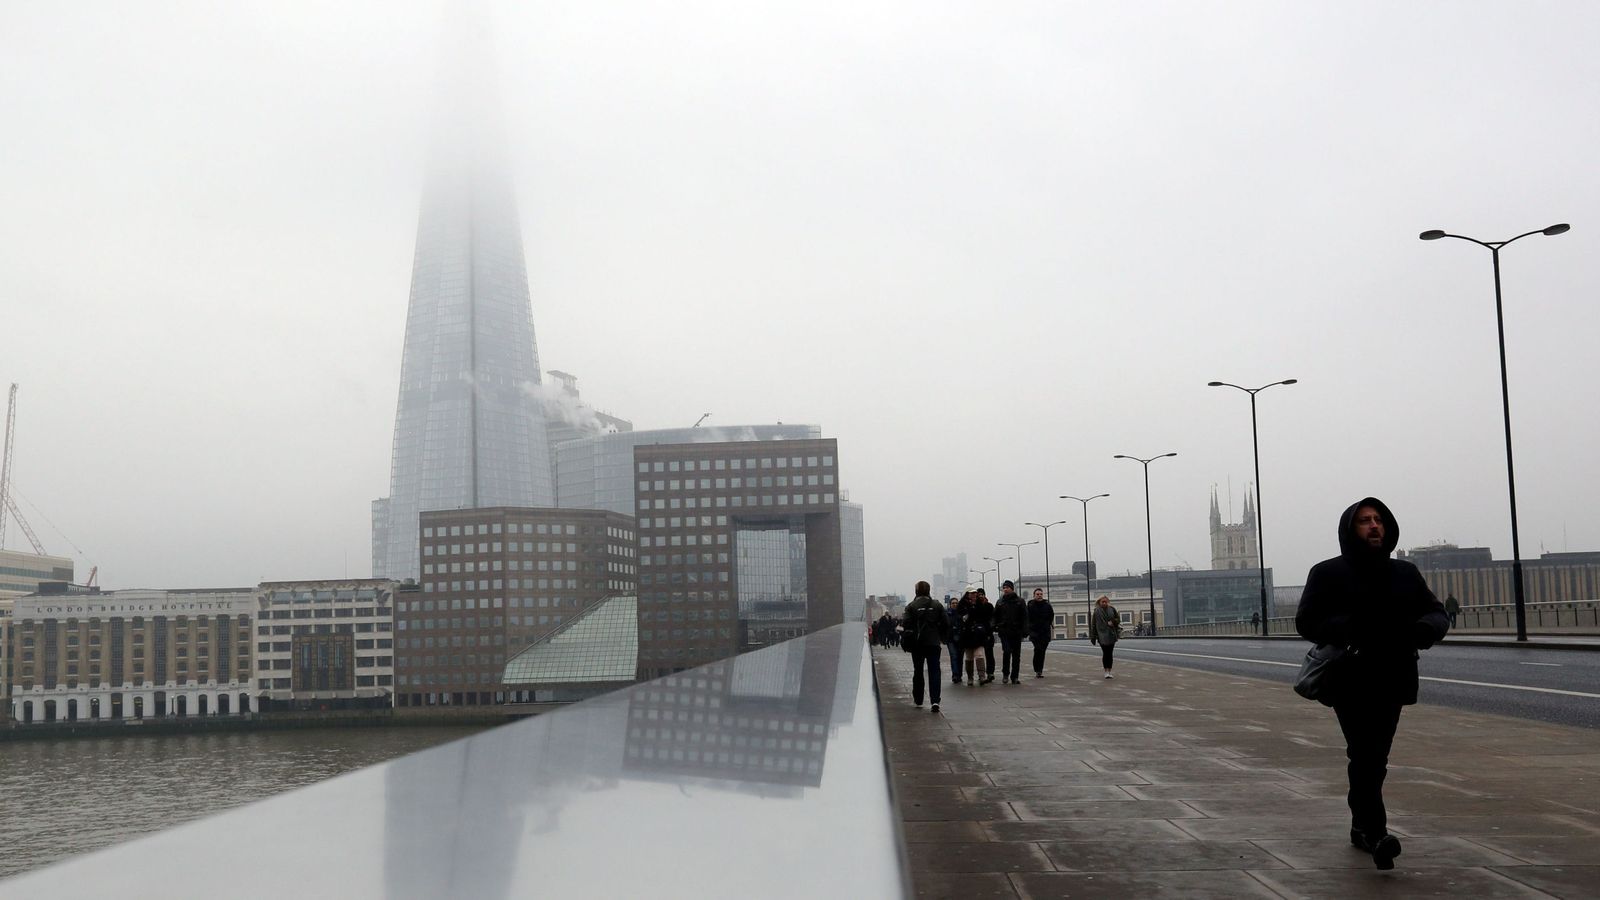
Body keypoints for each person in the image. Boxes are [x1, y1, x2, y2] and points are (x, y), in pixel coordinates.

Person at [1296, 497, 1449, 871]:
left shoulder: (1405, 573)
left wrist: (1425, 629)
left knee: (1374, 756)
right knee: (1365, 752)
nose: (1374, 526)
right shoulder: (1327, 573)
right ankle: (1375, 832)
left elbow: (1436, 612)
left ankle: (1361, 825)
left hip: (1393, 676)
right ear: (1351, 529)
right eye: (1365, 521)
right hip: (1350, 677)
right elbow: (1306, 621)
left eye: (1378, 519)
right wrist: (1345, 627)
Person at [902, 582, 951, 713]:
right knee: (934, 670)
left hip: (917, 644)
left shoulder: (911, 606)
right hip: (933, 643)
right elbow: (946, 622)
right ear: (929, 591)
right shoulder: (937, 605)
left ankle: (918, 699)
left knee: (918, 670)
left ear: (916, 591)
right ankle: (935, 700)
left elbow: (905, 623)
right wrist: (941, 636)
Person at [994, 581, 1028, 684]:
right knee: (1007, 651)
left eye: (1007, 587)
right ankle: (1005, 674)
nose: (1005, 589)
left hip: (1016, 631)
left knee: (1016, 655)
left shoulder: (1020, 601)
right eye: (1004, 587)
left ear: (1012, 588)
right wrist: (996, 626)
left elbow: (1025, 617)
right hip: (1004, 632)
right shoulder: (1000, 602)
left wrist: (1025, 630)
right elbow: (995, 616)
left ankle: (1015, 676)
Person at [958, 590, 994, 685]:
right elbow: (960, 615)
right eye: (971, 594)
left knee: (979, 655)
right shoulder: (963, 605)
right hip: (967, 635)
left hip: (979, 634)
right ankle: (970, 678)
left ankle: (982, 676)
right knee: (969, 657)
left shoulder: (980, 605)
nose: (973, 596)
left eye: (975, 594)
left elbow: (985, 618)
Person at [1089, 595, 1121, 678]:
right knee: (1105, 653)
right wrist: (1093, 637)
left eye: (1105, 601)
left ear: (1108, 602)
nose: (1104, 603)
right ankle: (1106, 671)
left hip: (1111, 634)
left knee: (1110, 653)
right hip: (1101, 635)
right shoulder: (1096, 612)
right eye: (1102, 601)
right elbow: (1093, 625)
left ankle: (1109, 671)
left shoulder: (1112, 609)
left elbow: (1118, 619)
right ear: (1099, 602)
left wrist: (1113, 622)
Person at [1027, 588, 1055, 677]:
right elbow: (1027, 617)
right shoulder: (1030, 605)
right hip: (1034, 632)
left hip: (1045, 632)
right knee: (1038, 649)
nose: (1039, 596)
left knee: (1042, 651)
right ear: (1034, 595)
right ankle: (1037, 669)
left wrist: (1047, 623)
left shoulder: (1047, 605)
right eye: (1037, 594)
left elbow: (1051, 615)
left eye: (1041, 594)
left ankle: (1040, 670)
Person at [945, 596, 964, 684]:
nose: (955, 605)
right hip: (950, 638)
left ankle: (959, 674)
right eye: (953, 603)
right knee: (954, 656)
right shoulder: (947, 614)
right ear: (950, 604)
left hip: (961, 638)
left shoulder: (962, 613)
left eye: (956, 603)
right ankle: (955, 675)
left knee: (960, 657)